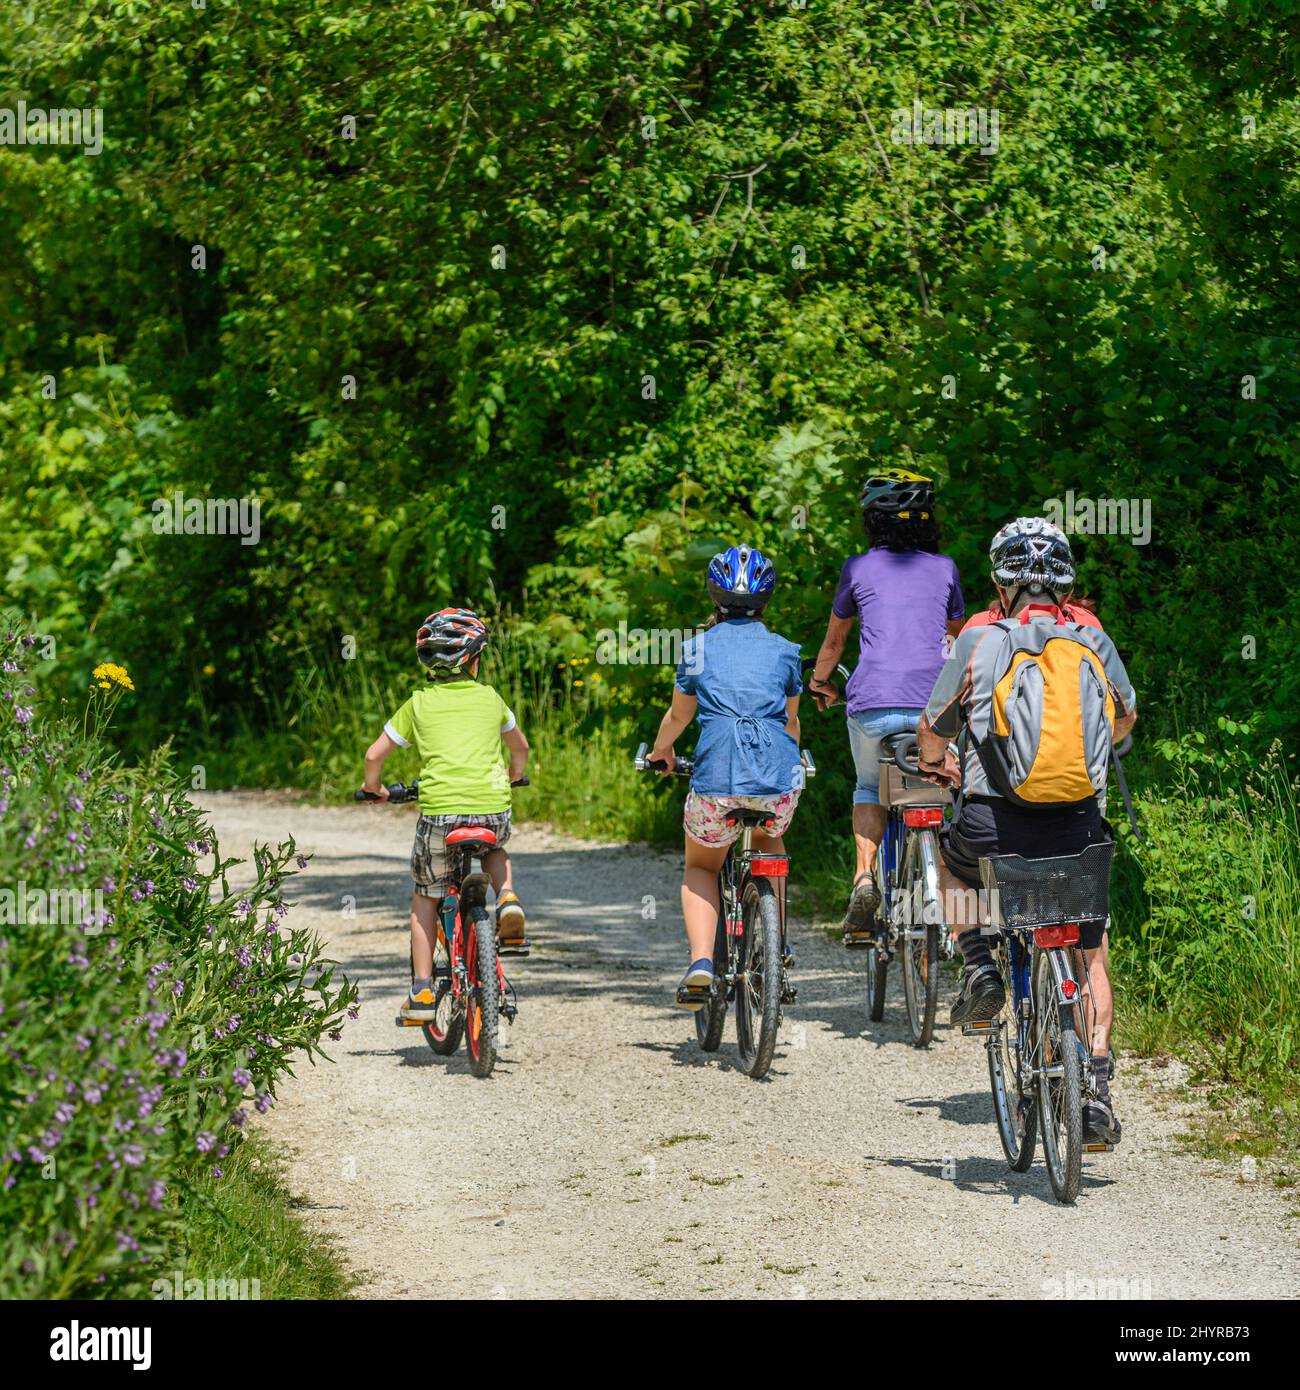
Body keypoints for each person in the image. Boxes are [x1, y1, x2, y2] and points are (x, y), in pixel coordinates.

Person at [916, 518, 1136, 1143]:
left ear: (999, 580)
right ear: (1066, 579)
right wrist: (1086, 757)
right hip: (1076, 823)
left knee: (950, 858)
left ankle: (980, 963)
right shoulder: (1091, 635)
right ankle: (1095, 1090)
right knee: (1089, 950)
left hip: (993, 824)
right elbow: (1126, 718)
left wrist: (937, 762)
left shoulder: (980, 637)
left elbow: (934, 726)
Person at [807, 468, 965, 945]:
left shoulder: (857, 568)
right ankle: (940, 885)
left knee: (869, 787)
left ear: (873, 520)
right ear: (927, 522)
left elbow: (835, 645)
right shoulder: (946, 569)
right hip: (932, 712)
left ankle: (863, 878)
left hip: (873, 704)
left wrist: (820, 684)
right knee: (941, 787)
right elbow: (957, 646)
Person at [647, 545, 803, 1008]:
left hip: (716, 780)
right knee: (770, 841)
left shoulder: (696, 649)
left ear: (714, 597)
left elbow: (678, 717)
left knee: (701, 865)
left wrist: (661, 753)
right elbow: (791, 724)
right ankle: (777, 942)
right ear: (767, 600)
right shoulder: (786, 652)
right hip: (777, 780)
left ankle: (700, 963)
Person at [360, 607, 530, 1023]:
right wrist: (513, 777)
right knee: (496, 848)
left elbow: (373, 755)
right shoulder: (492, 698)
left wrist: (375, 789)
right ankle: (507, 899)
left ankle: (421, 991)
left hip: (439, 816)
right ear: (474, 659)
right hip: (491, 806)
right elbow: (520, 749)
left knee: (426, 894)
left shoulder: (418, 703)